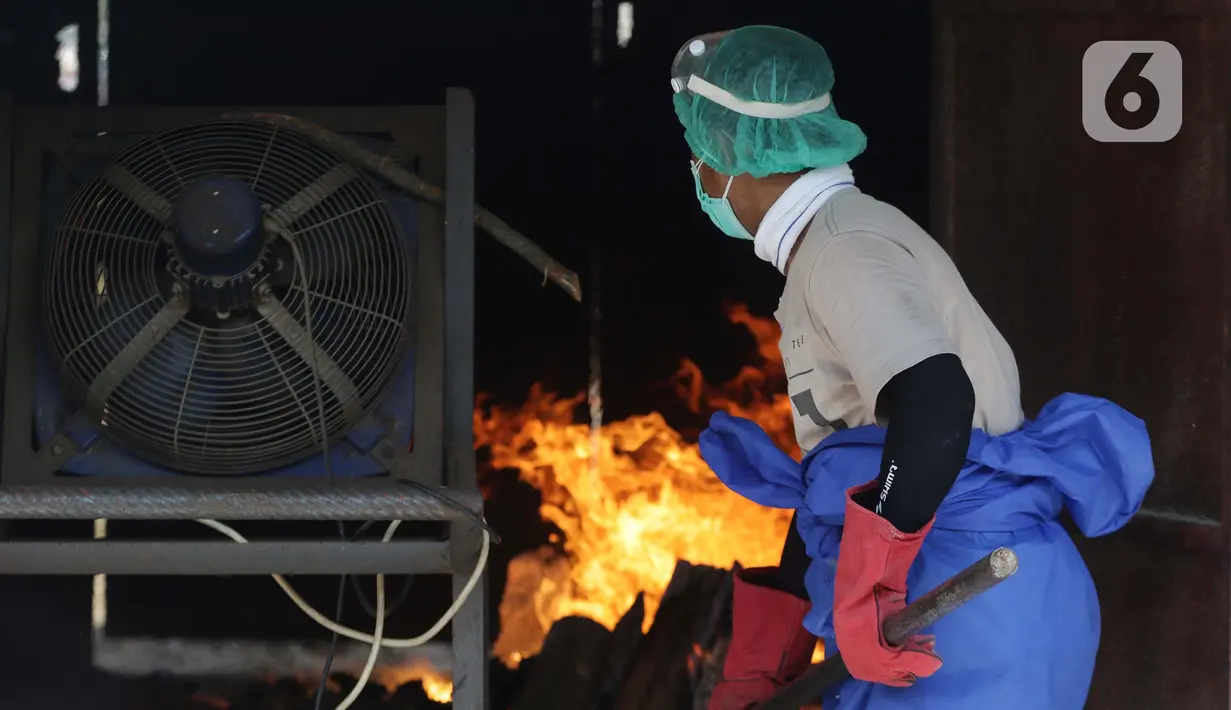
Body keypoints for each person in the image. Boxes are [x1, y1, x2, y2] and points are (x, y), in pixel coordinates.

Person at [671, 25, 1155, 710]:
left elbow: (933, 409)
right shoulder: (826, 249)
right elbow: (843, 472)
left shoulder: (845, 248)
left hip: (960, 616)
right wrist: (766, 656)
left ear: (727, 156)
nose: (697, 176)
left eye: (696, 155)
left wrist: (872, 586)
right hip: (944, 610)